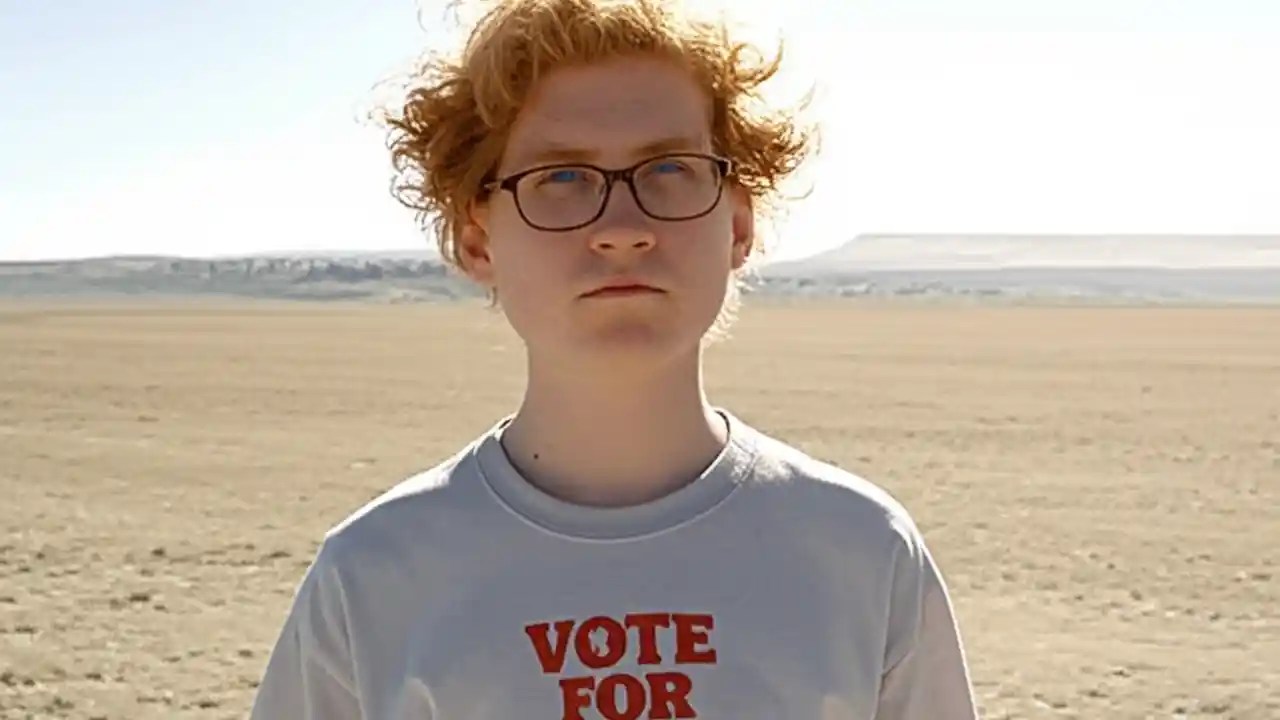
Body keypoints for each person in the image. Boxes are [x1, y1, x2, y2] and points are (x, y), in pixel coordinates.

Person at [250, 0, 978, 717]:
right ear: (478, 241)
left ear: (738, 224)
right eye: (561, 179)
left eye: (669, 169)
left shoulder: (860, 552)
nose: (621, 229)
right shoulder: (376, 575)